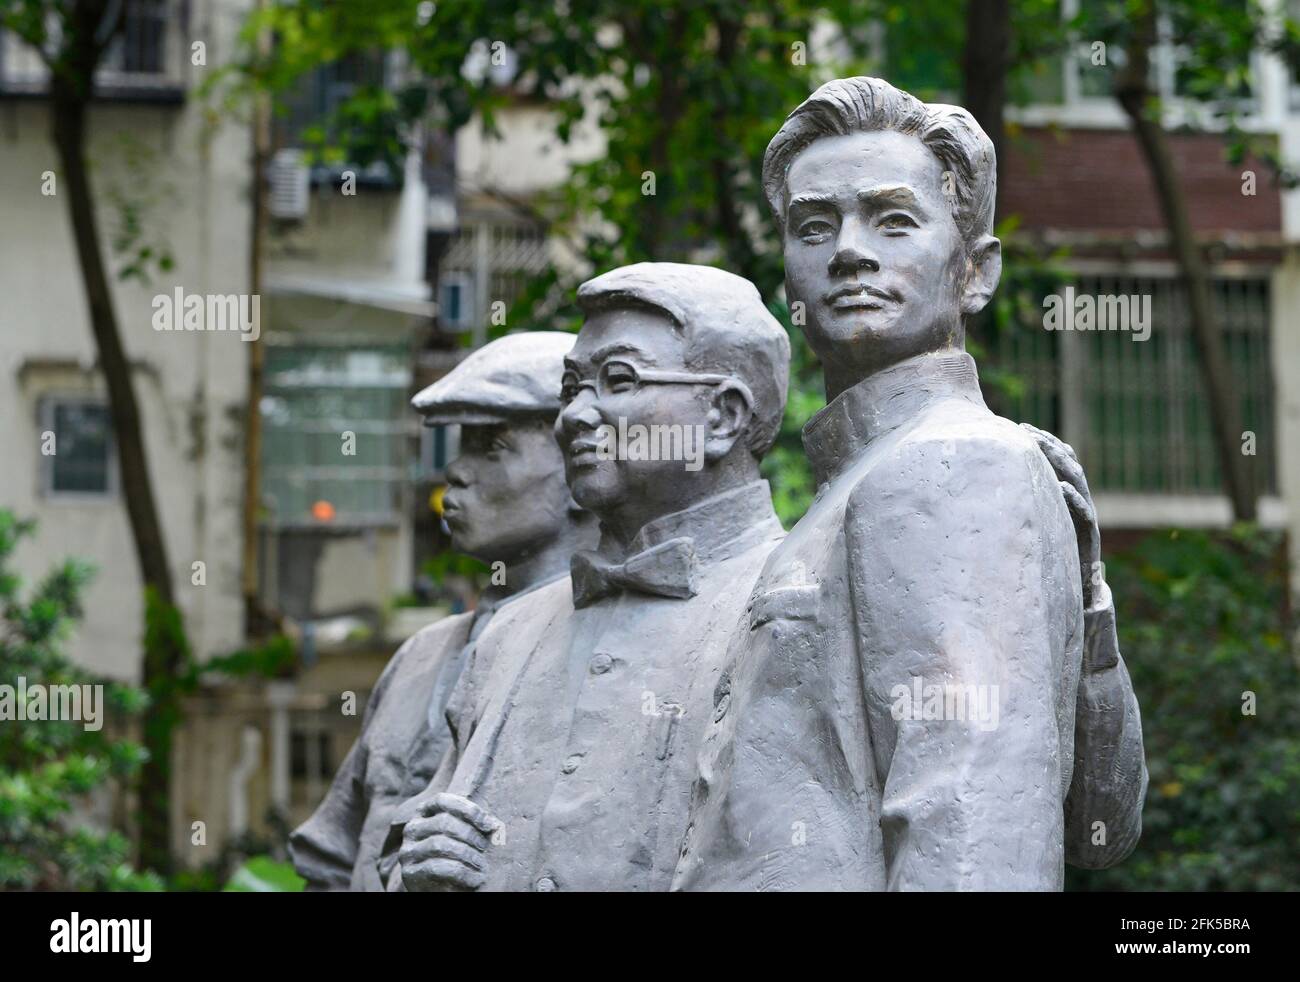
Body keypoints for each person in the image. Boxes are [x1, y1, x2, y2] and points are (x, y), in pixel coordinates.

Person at [674, 76, 1146, 891]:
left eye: (894, 220)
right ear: (788, 275)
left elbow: (973, 834)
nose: (850, 250)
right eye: (814, 226)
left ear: (975, 272)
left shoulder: (955, 464)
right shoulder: (852, 490)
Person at [392, 263, 790, 892]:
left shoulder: (797, 606)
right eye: (571, 386)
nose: (576, 415)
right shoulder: (512, 633)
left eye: (618, 380)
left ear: (721, 418)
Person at [288, 331, 595, 890]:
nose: (456, 469)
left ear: (580, 469)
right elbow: (330, 857)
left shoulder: (608, 656)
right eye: (462, 444)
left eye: (492, 446)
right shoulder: (420, 657)